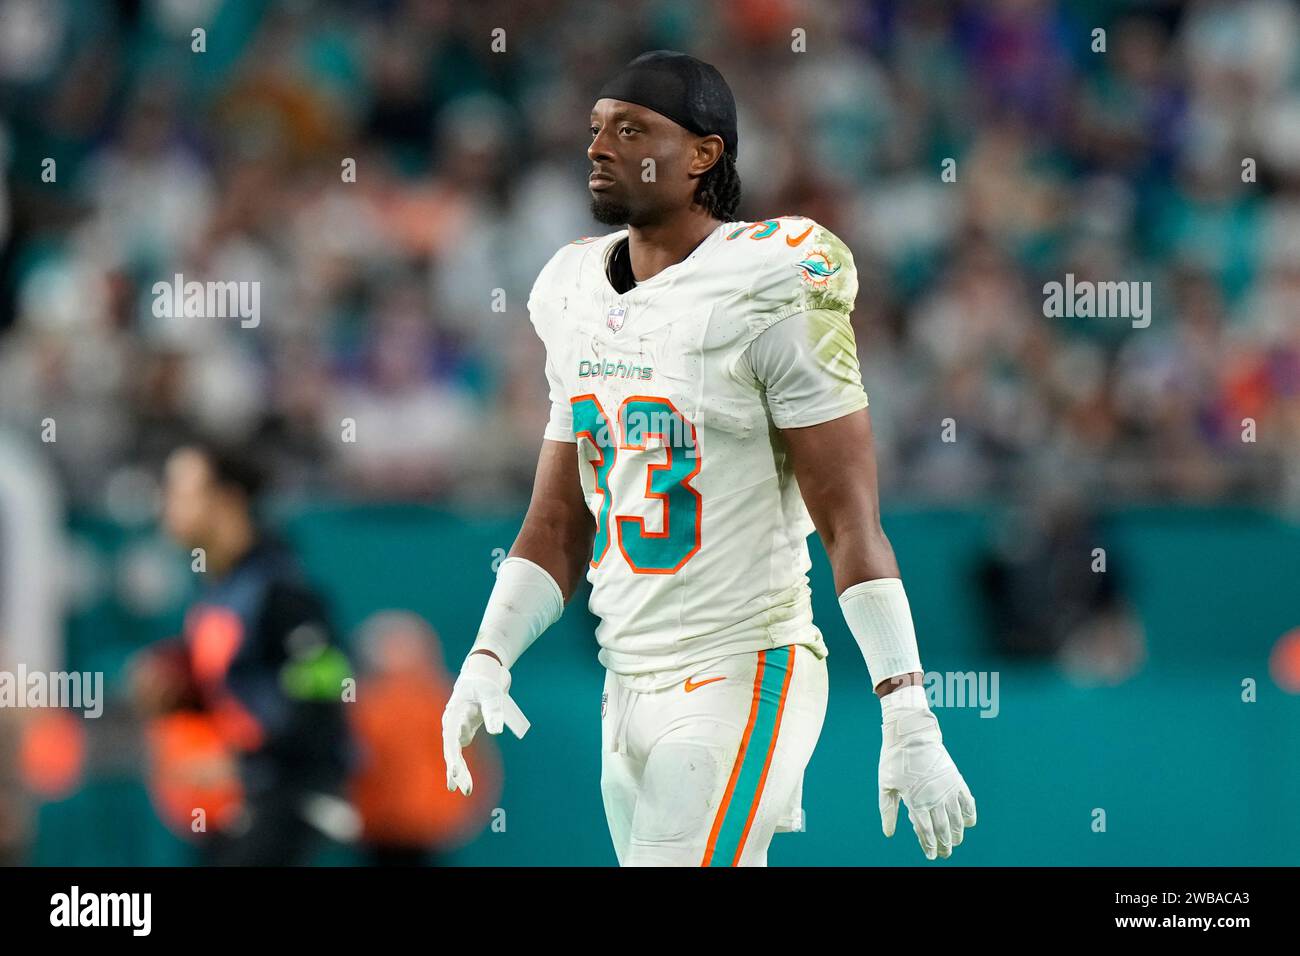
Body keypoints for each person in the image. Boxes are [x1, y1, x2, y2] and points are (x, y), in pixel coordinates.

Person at [442, 51, 976, 866]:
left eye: (631, 129)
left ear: (704, 154)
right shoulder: (572, 291)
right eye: (594, 128)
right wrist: (487, 654)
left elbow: (849, 525)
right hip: (624, 682)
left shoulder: (770, 281)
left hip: (743, 667)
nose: (598, 147)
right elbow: (556, 522)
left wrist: (908, 710)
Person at [137, 439, 354, 865]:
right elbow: (238, 689)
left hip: (287, 802)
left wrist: (241, 762)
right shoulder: (216, 590)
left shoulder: (282, 591)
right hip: (240, 805)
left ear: (227, 500)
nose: (168, 505)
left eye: (182, 492)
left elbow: (323, 696)